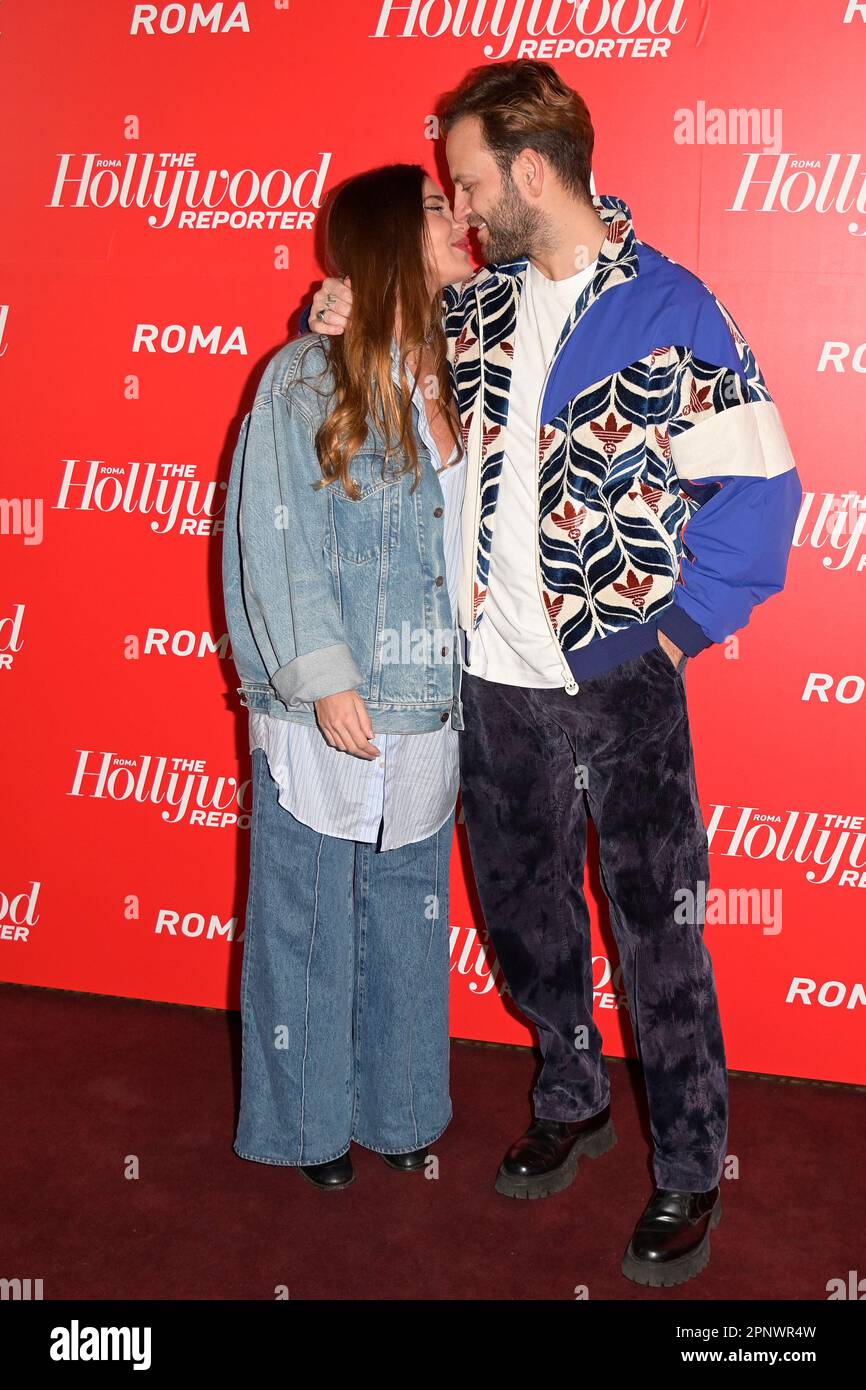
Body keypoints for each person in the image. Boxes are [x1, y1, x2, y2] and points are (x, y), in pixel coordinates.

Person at [305, 60, 802, 1282]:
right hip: (493, 688)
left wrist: (673, 635)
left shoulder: (673, 307)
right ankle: (571, 1091)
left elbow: (762, 485)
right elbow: (387, 338)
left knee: (660, 935)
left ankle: (688, 1169)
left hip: (625, 681)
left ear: (531, 172)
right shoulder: (472, 311)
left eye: (469, 183)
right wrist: (337, 312)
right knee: (525, 920)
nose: (460, 208)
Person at [221, 163, 473, 1190]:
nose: (458, 217)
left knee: (410, 909)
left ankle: (402, 1106)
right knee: (308, 910)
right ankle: (304, 1126)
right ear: (381, 239)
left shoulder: (467, 368)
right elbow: (273, 542)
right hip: (325, 695)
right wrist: (322, 675)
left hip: (431, 698)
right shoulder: (299, 377)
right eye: (430, 207)